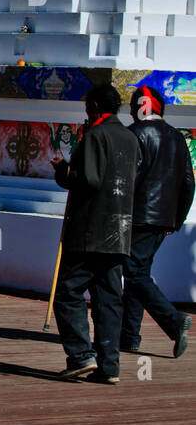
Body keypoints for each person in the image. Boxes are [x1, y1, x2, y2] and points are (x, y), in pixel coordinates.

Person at [50, 82, 139, 384]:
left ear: (96, 108)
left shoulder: (94, 136)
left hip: (89, 231)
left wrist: (63, 170)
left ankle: (80, 355)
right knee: (108, 299)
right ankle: (109, 366)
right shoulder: (130, 138)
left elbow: (87, 180)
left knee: (68, 293)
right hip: (119, 230)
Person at [122, 87, 195, 358]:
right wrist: (177, 218)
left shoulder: (134, 135)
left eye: (132, 107)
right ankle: (129, 337)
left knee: (134, 273)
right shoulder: (177, 137)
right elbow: (189, 182)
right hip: (162, 219)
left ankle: (173, 321)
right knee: (138, 273)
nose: (131, 112)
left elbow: (128, 179)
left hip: (137, 216)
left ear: (141, 108)